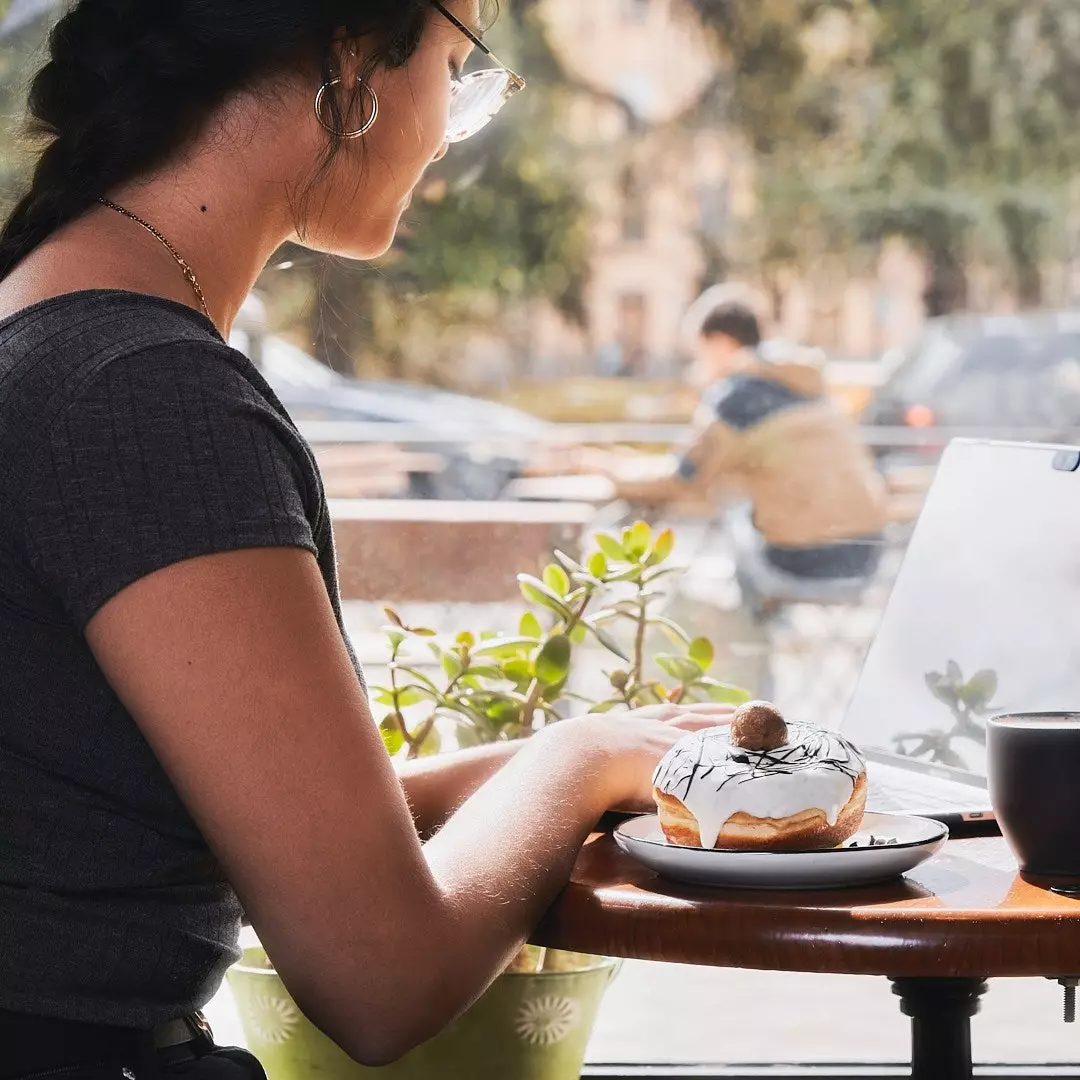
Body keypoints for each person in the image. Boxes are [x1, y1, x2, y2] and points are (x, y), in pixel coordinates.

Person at [0, 3, 732, 1077]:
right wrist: (582, 759)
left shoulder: (50, 319)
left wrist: (592, 751)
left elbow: (243, 816)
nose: (445, 129)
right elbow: (380, 976)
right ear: (351, 58)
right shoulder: (143, 392)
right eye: (456, 66)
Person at [609, 297, 889, 605]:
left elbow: (685, 476)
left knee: (734, 513)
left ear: (718, 342)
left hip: (803, 558)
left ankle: (747, 640)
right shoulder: (803, 384)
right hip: (868, 554)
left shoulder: (740, 396)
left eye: (698, 351)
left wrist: (611, 473)